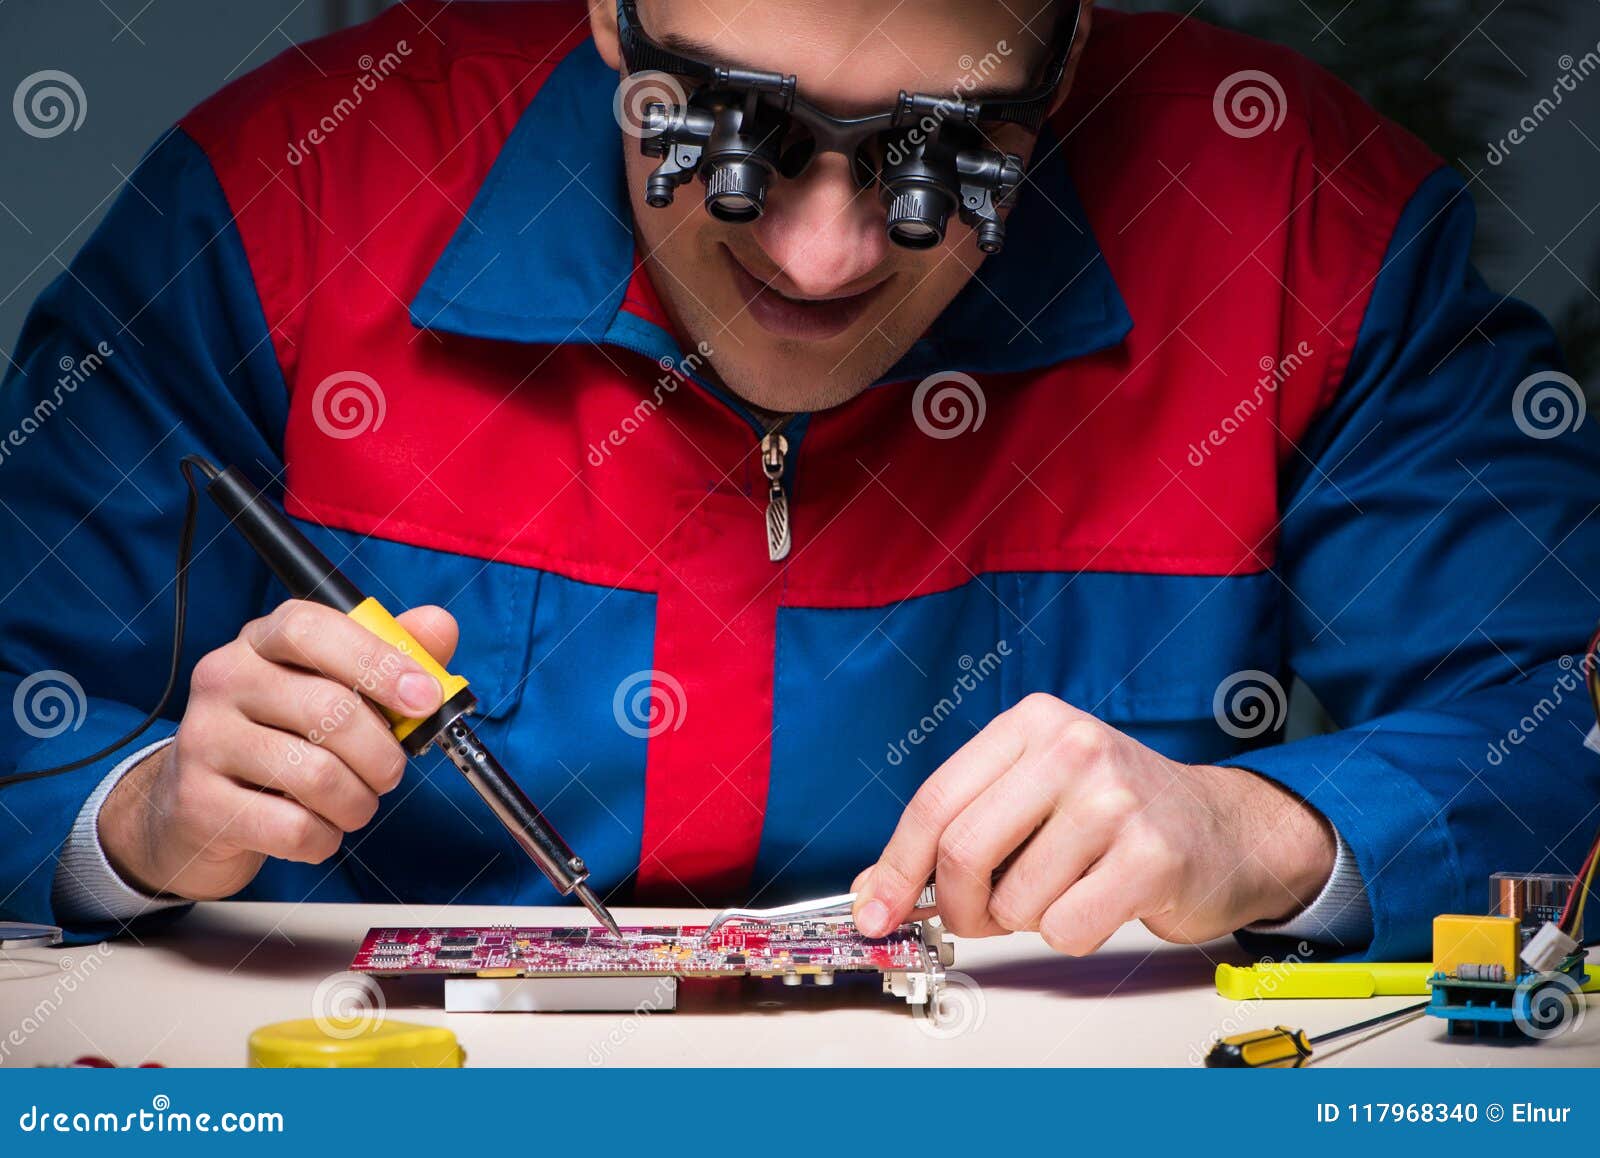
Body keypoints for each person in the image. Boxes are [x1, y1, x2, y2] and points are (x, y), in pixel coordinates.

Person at [2, 0, 1596, 965]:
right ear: (609, 17)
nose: (824, 256)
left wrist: (1270, 830)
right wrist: (134, 818)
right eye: (727, 128)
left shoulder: (1300, 220)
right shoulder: (289, 195)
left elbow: (1554, 720)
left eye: (943, 148)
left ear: (1071, 47)